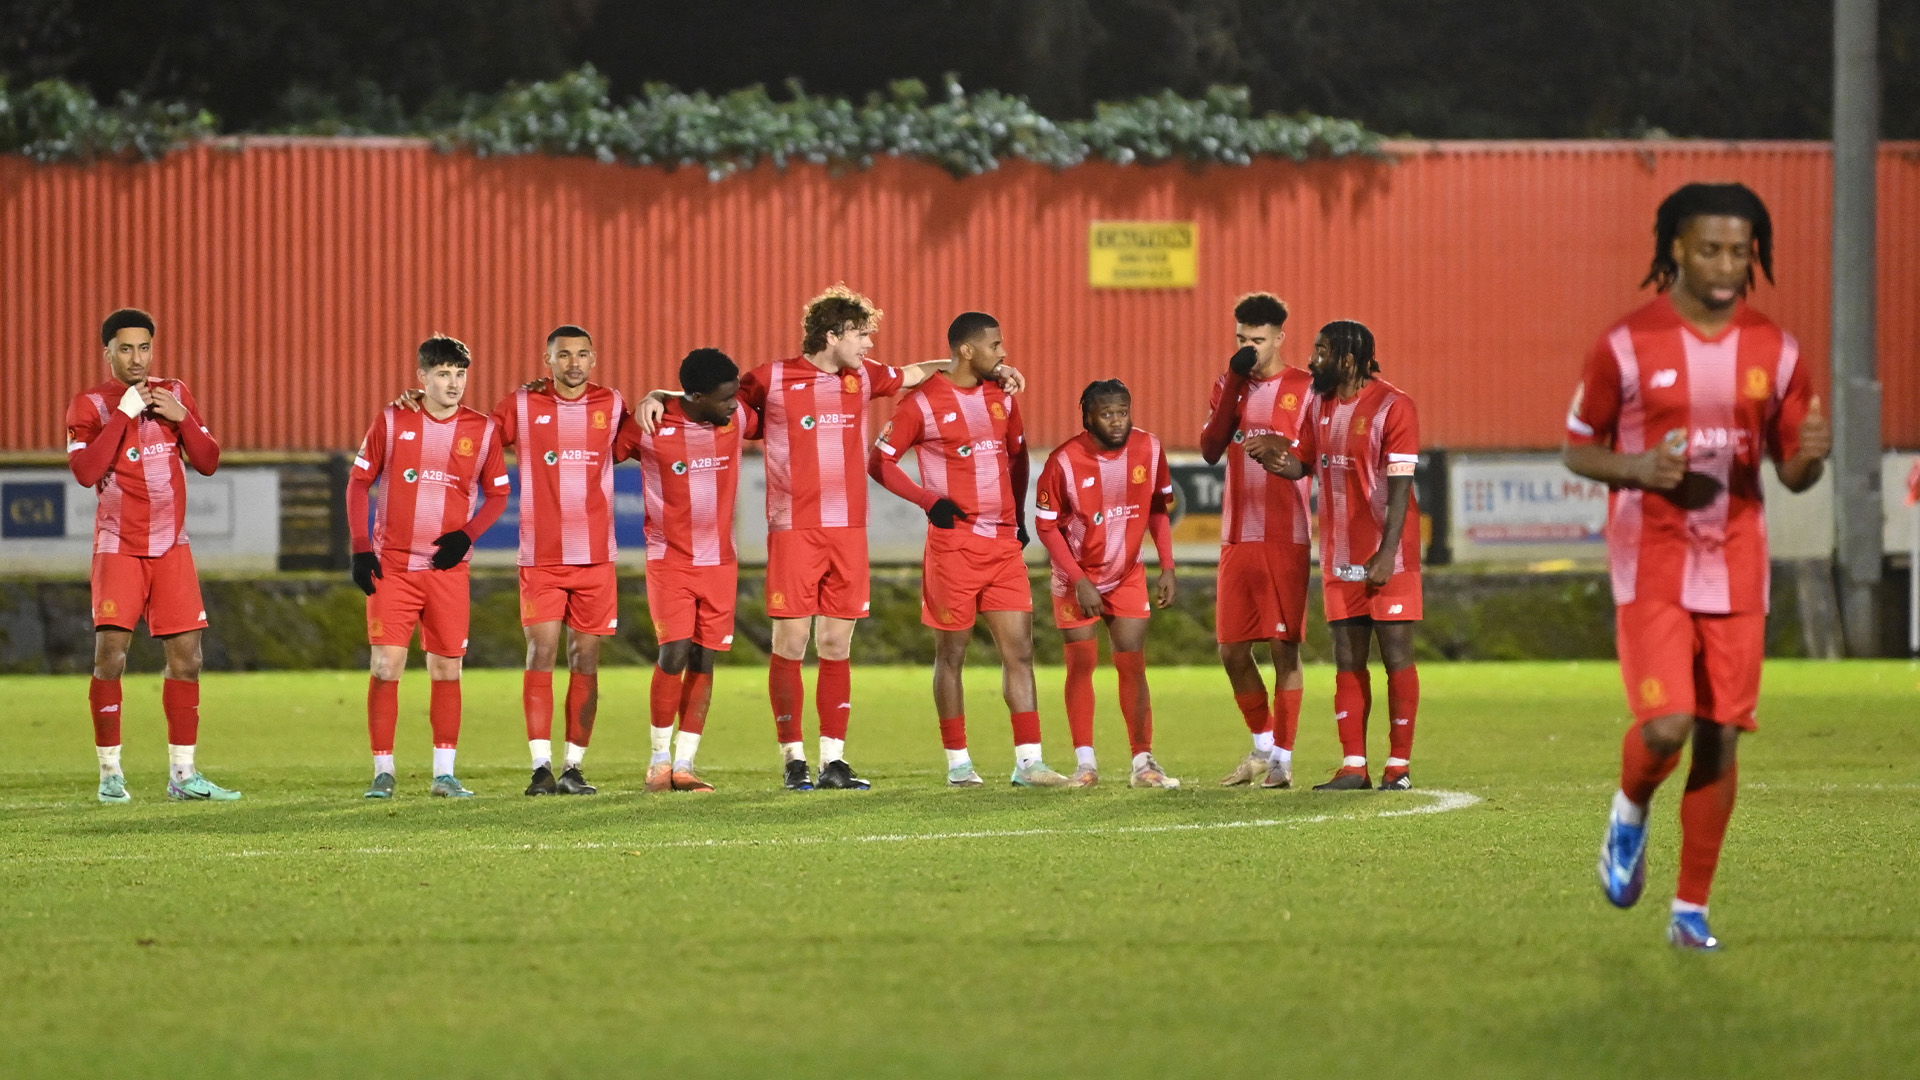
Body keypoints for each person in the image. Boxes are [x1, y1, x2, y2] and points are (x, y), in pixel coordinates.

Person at [1567, 182, 1828, 951]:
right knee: (1667, 726)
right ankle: (1630, 809)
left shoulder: (1777, 351)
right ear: (1675, 249)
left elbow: (1791, 471)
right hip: (1652, 557)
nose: (1726, 264)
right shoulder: (1624, 344)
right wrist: (1639, 467)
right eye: (1710, 248)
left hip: (1739, 562)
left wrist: (1811, 461)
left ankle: (1690, 909)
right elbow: (1577, 447)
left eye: (1740, 251)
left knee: (1719, 735)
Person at [637, 284, 1022, 791]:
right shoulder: (770, 379)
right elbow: (714, 403)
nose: (868, 346)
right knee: (792, 643)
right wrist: (660, 395)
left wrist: (992, 369)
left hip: (848, 532)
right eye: (862, 335)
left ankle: (834, 761)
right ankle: (793, 758)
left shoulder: (861, 377)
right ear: (833, 334)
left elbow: (919, 372)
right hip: (794, 530)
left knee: (837, 644)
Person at [870, 312, 1066, 788]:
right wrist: (927, 500)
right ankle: (959, 762)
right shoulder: (922, 404)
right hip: (953, 545)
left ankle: (1029, 763)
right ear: (967, 350)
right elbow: (880, 462)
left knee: (1019, 652)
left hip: (1001, 544)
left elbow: (1017, 460)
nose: (1004, 354)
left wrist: (1018, 520)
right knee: (951, 655)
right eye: (996, 345)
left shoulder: (1003, 396)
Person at [65, 308, 239, 803]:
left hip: (172, 548)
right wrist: (123, 412)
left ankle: (183, 776)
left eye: (144, 348)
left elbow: (207, 461)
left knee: (188, 661)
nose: (137, 358)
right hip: (118, 548)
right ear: (108, 353)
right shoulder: (91, 404)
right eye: (126, 349)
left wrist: (185, 421)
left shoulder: (174, 394)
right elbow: (85, 472)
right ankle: (110, 774)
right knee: (111, 660)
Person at [346, 334, 508, 798]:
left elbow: (498, 494)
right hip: (393, 568)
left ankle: (444, 773)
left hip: (446, 572)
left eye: (460, 375)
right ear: (422, 377)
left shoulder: (482, 430)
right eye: (443, 374)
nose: (453, 384)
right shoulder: (394, 420)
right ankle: (383, 772)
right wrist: (361, 548)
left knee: (447, 669)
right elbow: (358, 484)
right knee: (384, 666)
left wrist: (468, 536)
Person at [1269, 320, 1423, 792]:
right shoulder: (1319, 403)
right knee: (1347, 657)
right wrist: (1280, 462)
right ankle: (1353, 765)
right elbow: (1305, 461)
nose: (1312, 360)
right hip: (1338, 554)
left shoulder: (1395, 406)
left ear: (1348, 360)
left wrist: (1386, 552)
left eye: (1321, 352)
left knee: (1395, 654)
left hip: (1387, 557)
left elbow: (1400, 489)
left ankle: (1398, 767)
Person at [490, 326, 630, 797]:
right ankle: (540, 767)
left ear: (594, 359)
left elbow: (651, 428)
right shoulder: (523, 405)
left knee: (585, 658)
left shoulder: (612, 406)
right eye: (564, 355)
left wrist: (657, 395)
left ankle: (574, 766)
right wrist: (423, 403)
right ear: (546, 360)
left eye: (583, 354)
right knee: (542, 654)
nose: (574, 363)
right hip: (541, 558)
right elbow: (477, 434)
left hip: (595, 559)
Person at [618, 349, 759, 793]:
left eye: (736, 397)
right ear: (695, 396)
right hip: (670, 559)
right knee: (673, 653)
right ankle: (658, 762)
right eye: (724, 399)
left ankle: (685, 764)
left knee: (704, 657)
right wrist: (652, 398)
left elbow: (772, 411)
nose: (735, 406)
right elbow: (602, 451)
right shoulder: (651, 426)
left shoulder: (735, 419)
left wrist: (659, 390)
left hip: (720, 561)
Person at [1034, 379, 1180, 788]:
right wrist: (1079, 580)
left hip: (1128, 573)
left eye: (1123, 412)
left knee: (1132, 662)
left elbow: (1157, 508)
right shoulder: (1063, 461)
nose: (1117, 422)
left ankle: (1144, 762)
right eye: (1107, 414)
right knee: (1081, 664)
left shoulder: (1149, 449)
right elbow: (1045, 528)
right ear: (1088, 418)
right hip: (1075, 577)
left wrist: (1167, 566)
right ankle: (1085, 764)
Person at [1198, 292, 1316, 790]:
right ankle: (1261, 747)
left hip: (1286, 536)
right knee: (1231, 651)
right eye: (1242, 338)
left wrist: (1284, 449)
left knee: (1282, 649)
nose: (1250, 347)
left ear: (1280, 338)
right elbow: (1209, 449)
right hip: (1236, 537)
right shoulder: (1230, 384)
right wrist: (1234, 384)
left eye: (1259, 340)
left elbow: (1314, 451)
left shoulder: (1307, 388)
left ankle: (1282, 760)